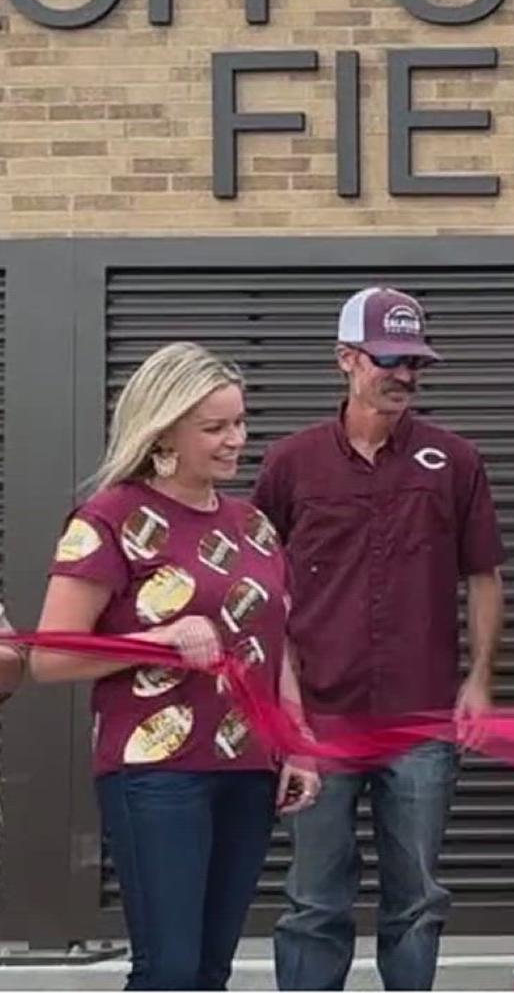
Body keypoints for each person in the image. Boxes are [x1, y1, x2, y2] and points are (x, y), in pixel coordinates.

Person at [30, 341, 320, 990]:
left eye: (239, 422)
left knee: (211, 970)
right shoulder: (108, 518)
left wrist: (298, 743)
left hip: (247, 770)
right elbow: (49, 656)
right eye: (214, 428)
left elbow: (274, 644)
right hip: (156, 773)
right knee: (169, 969)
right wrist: (160, 640)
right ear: (163, 432)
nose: (235, 440)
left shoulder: (253, 526)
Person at [261, 287, 507, 991]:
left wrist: (479, 679)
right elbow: (260, 585)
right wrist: (282, 700)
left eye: (415, 363)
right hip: (319, 719)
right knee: (314, 901)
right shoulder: (291, 463)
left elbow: (484, 576)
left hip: (419, 719)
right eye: (389, 360)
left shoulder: (454, 461)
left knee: (417, 900)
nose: (404, 375)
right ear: (345, 359)